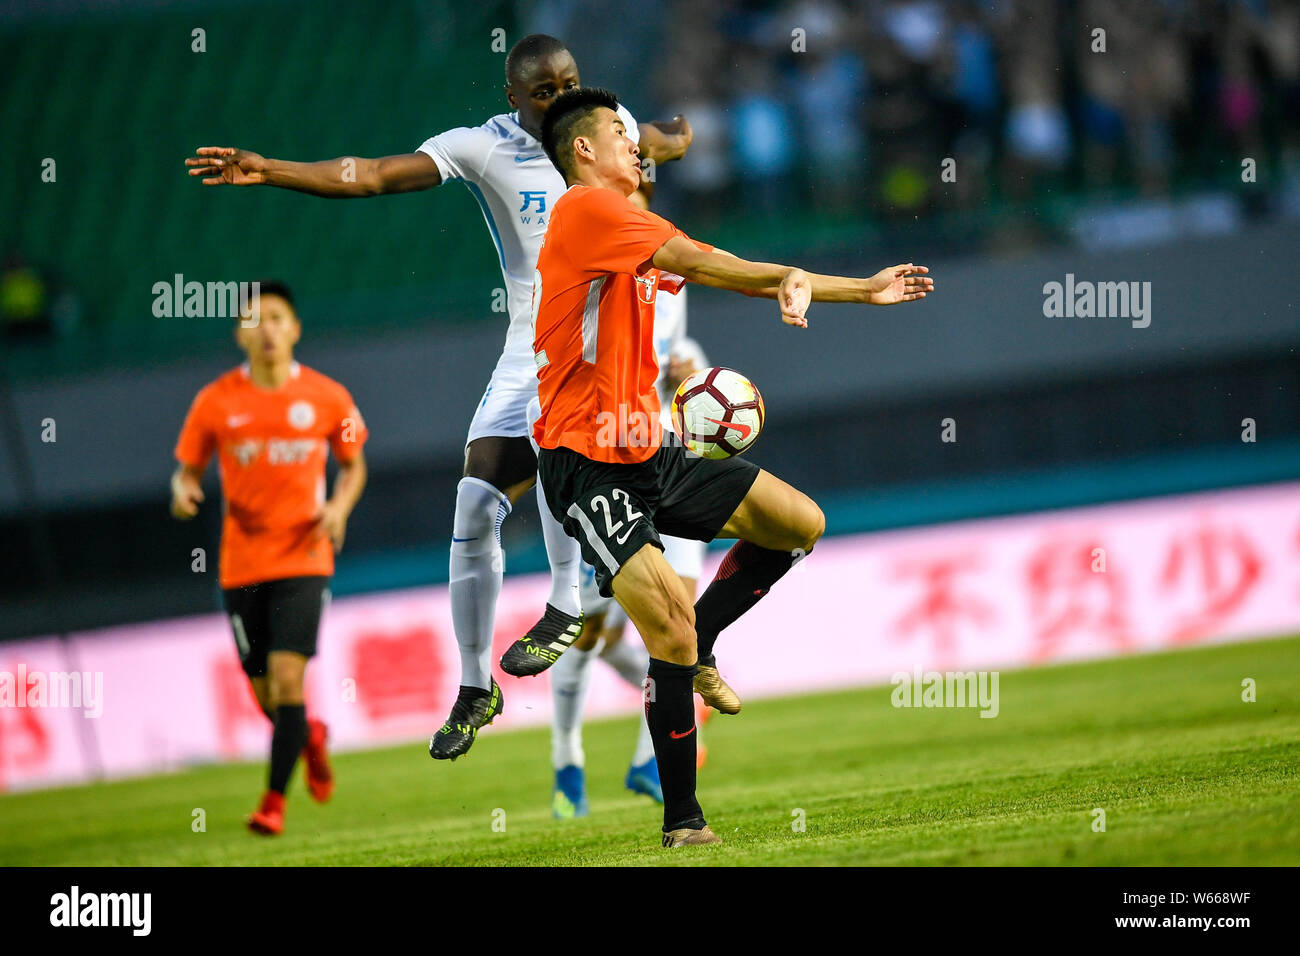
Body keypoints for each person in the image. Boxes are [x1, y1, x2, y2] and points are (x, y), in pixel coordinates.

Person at [185, 35, 691, 761]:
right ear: (511, 98)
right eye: (543, 92)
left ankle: (567, 603)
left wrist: (673, 139)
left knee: (561, 459)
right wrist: (272, 170)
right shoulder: (482, 148)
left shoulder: (599, 127)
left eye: (569, 84)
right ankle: (473, 685)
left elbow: (648, 142)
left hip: (603, 352)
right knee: (475, 506)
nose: (560, 100)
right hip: (531, 349)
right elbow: (376, 175)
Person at [517, 87, 932, 846]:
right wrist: (789, 280)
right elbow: (710, 266)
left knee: (798, 524)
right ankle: (684, 822)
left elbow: (717, 264)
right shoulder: (586, 212)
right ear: (583, 150)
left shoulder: (627, 223)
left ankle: (702, 644)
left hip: (650, 448)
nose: (635, 142)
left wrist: (859, 291)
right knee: (665, 632)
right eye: (619, 131)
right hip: (587, 462)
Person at [170, 281, 369, 835]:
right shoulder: (215, 402)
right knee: (265, 694)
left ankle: (273, 803)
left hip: (305, 556)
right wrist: (184, 490)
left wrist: (339, 507)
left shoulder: (331, 397)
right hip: (241, 562)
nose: (268, 329)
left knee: (287, 681)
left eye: (278, 317)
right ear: (240, 334)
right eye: (255, 319)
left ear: (295, 328)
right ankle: (310, 737)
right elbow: (187, 467)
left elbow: (354, 463)